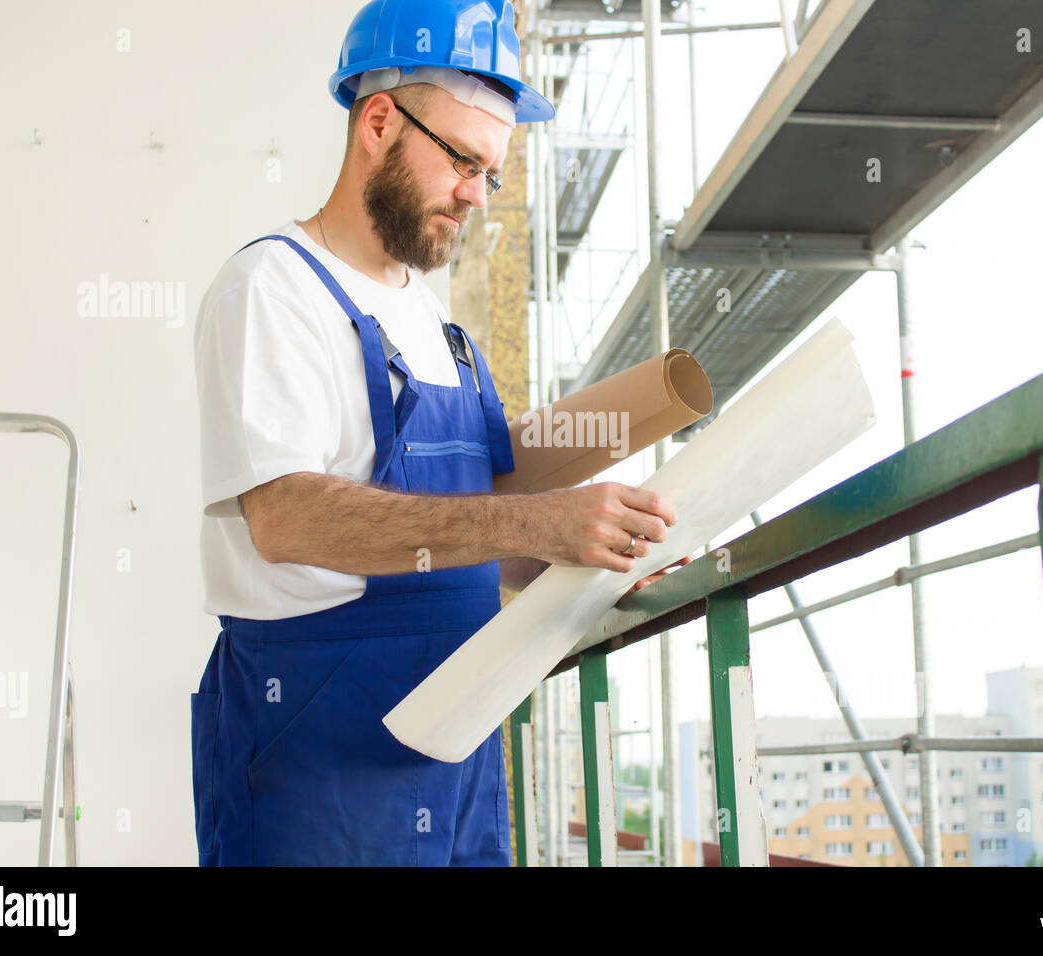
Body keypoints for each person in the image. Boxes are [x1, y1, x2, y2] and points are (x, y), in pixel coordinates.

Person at [190, 0, 688, 866]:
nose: (475, 194)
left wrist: (598, 550)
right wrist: (538, 520)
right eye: (462, 158)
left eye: (490, 173)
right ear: (378, 120)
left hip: (456, 746)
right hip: (320, 760)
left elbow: (468, 551)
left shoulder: (439, 329)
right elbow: (286, 519)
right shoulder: (274, 288)